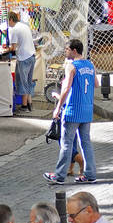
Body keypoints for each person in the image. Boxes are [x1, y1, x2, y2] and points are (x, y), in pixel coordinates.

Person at [45, 38, 97, 184]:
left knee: (66, 143)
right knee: (86, 142)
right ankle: (90, 174)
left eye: (67, 49)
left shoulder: (72, 66)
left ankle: (59, 175)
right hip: (87, 110)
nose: (65, 51)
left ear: (74, 50)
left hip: (73, 110)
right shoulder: (90, 65)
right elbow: (96, 84)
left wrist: (58, 107)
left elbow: (66, 88)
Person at [7, 9, 37, 112]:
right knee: (28, 81)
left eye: (8, 21)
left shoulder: (14, 29)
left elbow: (13, 47)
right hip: (32, 56)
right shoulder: (25, 26)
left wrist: (7, 48)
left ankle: (24, 106)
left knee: (22, 82)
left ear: (11, 19)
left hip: (24, 58)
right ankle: (29, 103)